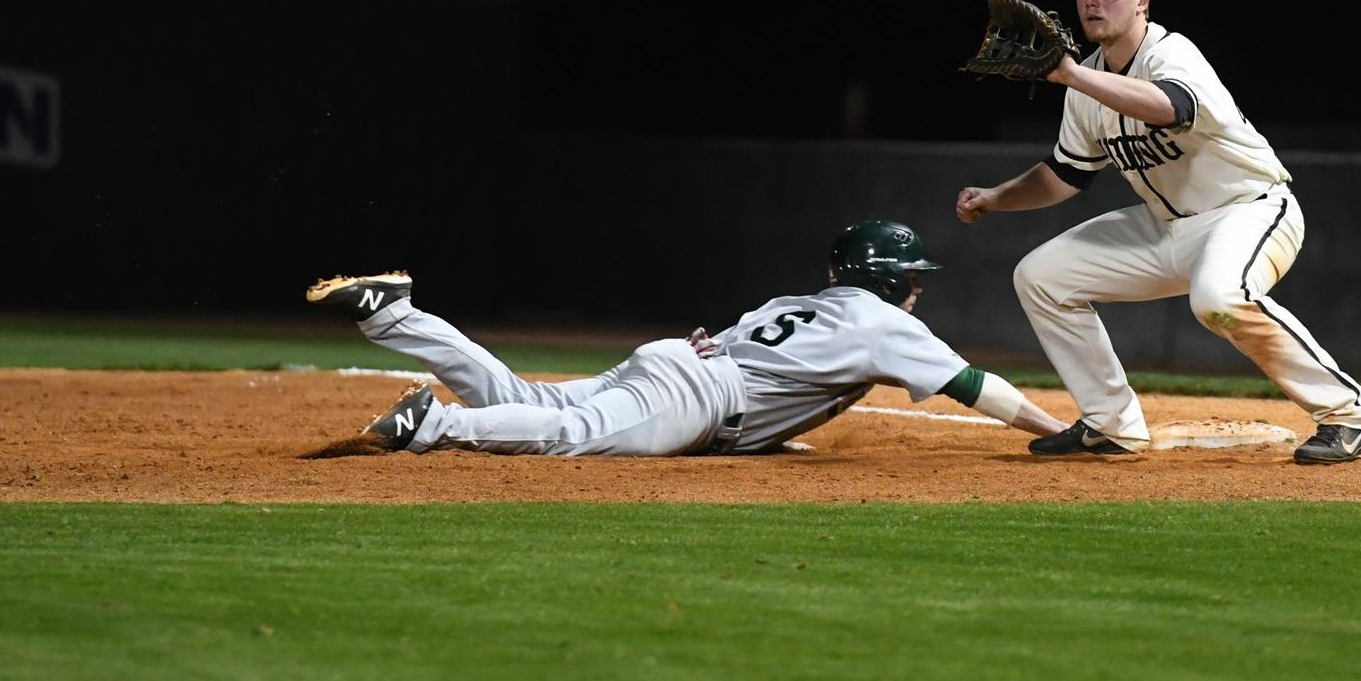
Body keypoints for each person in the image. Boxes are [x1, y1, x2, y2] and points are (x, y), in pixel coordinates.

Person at [955, 0, 1361, 465]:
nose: (1091, 1)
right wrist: (998, 197)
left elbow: (1170, 107)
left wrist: (1070, 75)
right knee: (1040, 276)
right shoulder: (1085, 81)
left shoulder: (1169, 52)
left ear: (1142, 2)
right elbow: (1066, 174)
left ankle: (1348, 414)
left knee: (1220, 299)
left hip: (1250, 210)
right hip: (1166, 228)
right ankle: (1112, 425)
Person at [304, 219, 1069, 456]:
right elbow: (979, 389)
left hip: (680, 363)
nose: (919, 283)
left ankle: (395, 316)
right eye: (913, 271)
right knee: (567, 433)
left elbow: (775, 375)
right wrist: (1056, 426)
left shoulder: (803, 300)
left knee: (533, 399)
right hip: (703, 393)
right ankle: (431, 424)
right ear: (886, 275)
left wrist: (775, 435)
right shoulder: (885, 322)